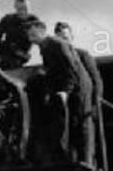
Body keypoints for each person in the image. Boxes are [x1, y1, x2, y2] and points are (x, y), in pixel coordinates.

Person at [27, 19, 81, 160]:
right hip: (57, 90)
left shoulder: (57, 44)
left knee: (66, 124)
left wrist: (66, 92)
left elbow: (72, 69)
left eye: (33, 34)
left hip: (69, 90)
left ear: (41, 31)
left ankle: (64, 155)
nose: (30, 39)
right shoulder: (44, 48)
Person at [55, 23, 100, 166]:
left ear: (72, 38)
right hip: (69, 109)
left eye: (66, 38)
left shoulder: (82, 55)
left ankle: (88, 169)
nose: (64, 42)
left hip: (84, 107)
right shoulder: (58, 62)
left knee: (86, 145)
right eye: (61, 39)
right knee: (70, 148)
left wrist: (94, 106)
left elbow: (96, 82)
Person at [0, 0, 39, 70]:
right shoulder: (8, 19)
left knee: (4, 63)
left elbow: (41, 40)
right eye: (19, 9)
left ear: (29, 8)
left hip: (19, 55)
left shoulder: (34, 21)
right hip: (3, 49)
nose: (22, 12)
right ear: (15, 8)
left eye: (25, 9)